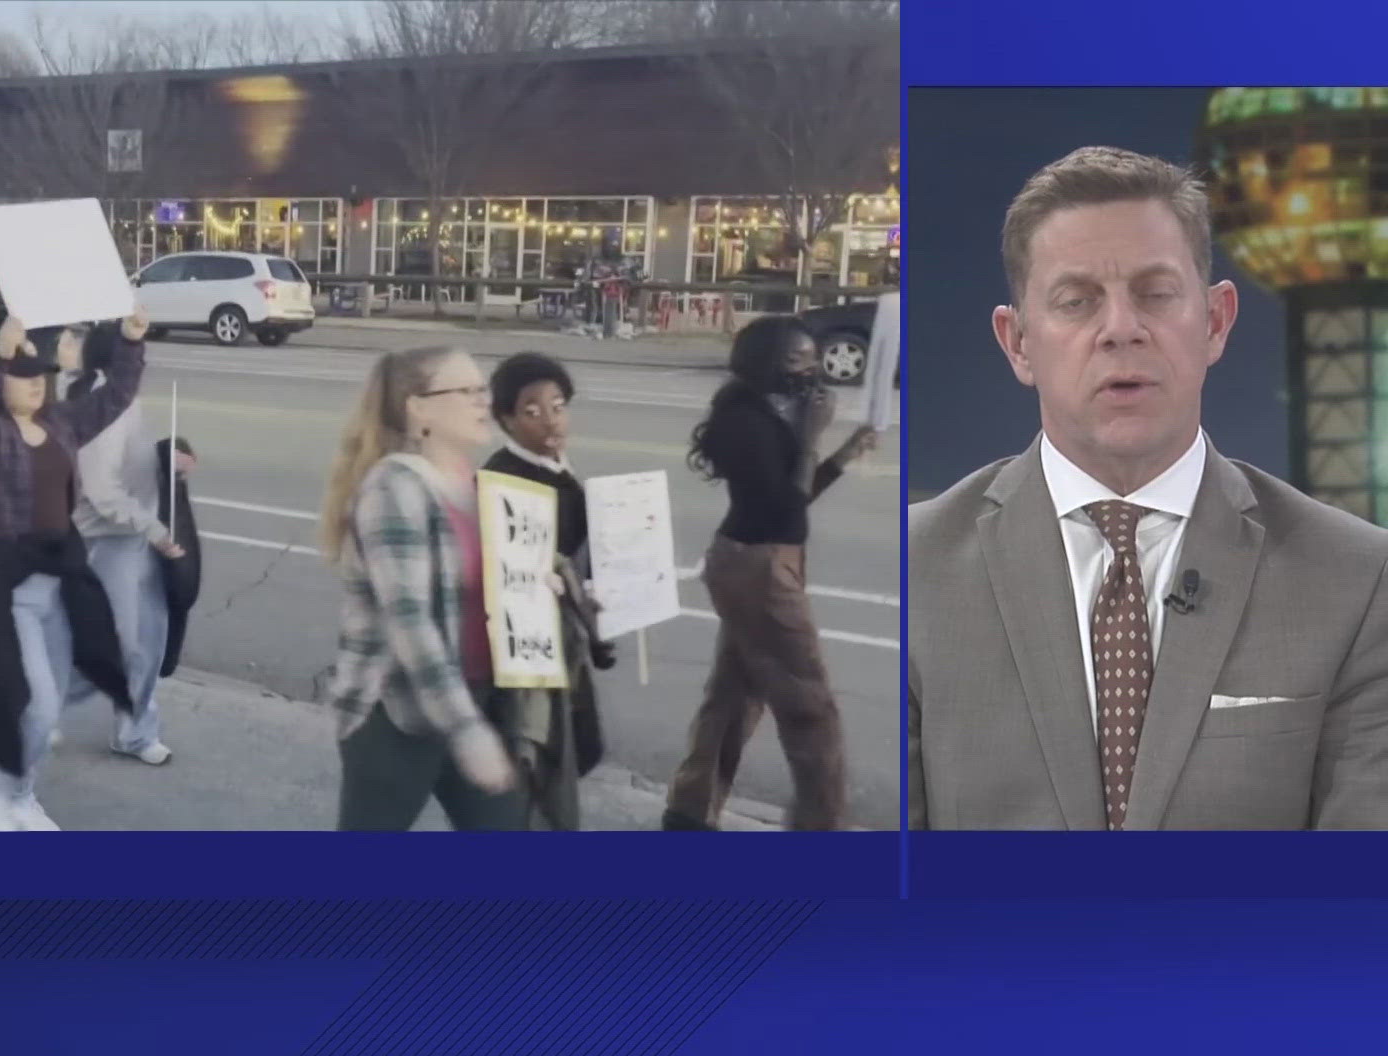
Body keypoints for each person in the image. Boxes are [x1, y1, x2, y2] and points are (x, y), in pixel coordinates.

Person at [910, 146, 1388, 830]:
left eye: (1155, 295)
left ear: (1215, 322)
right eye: (1076, 303)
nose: (1121, 330)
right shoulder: (919, 571)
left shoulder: (1361, 580)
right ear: (1018, 343)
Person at [0, 313, 148, 831]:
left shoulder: (61, 421)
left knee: (58, 700)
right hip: (6, 584)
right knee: (37, 706)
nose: (35, 381)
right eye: (21, 373)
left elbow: (116, 394)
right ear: (0, 378)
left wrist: (130, 342)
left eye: (40, 374)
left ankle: (21, 793)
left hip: (61, 574)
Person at [662, 316, 877, 831]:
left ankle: (690, 810)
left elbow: (796, 501)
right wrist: (810, 437)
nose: (812, 371)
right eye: (798, 362)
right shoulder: (743, 421)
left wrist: (844, 454)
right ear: (768, 366)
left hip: (766, 558)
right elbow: (782, 504)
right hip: (756, 565)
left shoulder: (774, 410)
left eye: (812, 358)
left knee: (735, 695)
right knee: (810, 705)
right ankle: (820, 828)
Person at [321, 346, 524, 830]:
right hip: (396, 713)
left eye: (484, 388)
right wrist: (468, 731)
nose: (483, 401)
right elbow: (408, 620)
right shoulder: (395, 488)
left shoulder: (478, 486)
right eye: (466, 390)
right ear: (419, 407)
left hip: (472, 697)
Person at [480, 352, 613, 827]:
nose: (550, 420)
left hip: (564, 644)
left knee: (575, 750)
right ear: (506, 420)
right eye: (532, 412)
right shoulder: (505, 480)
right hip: (529, 658)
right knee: (540, 758)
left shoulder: (558, 469)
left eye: (558, 405)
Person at [64, 321, 192, 765]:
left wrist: (164, 457)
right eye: (135, 350)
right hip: (110, 541)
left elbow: (126, 459)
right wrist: (153, 529)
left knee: (142, 641)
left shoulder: (119, 398)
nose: (144, 359)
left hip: (129, 536)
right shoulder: (103, 402)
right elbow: (100, 487)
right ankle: (33, 708)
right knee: (121, 643)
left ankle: (133, 731)